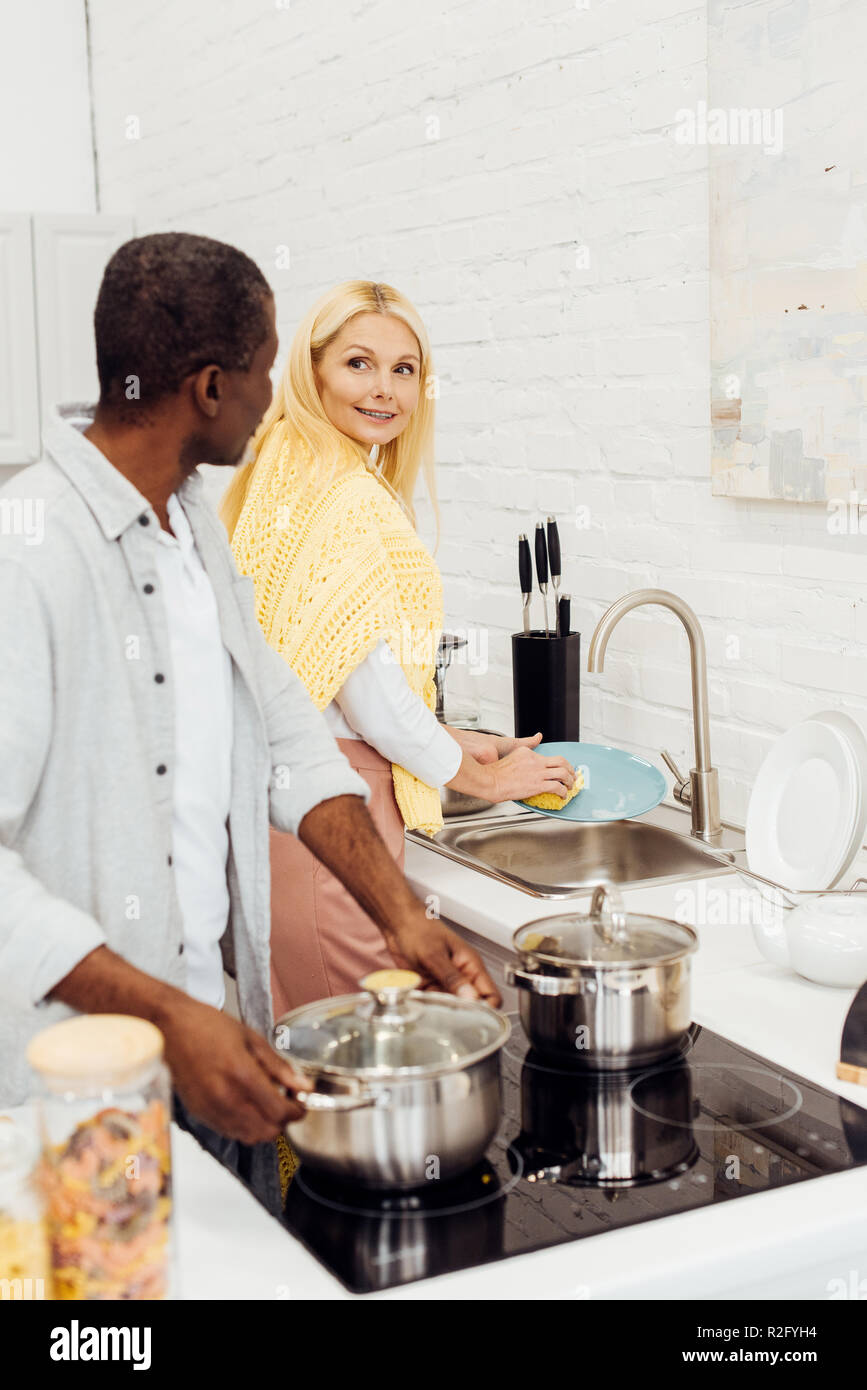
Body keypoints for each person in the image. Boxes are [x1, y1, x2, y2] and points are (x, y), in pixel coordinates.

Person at [0, 234, 500, 1199]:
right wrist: (168, 1020)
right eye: (270, 369)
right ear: (209, 387)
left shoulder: (192, 532)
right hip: (79, 1093)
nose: (278, 398)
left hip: (217, 1048)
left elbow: (284, 736)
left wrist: (402, 917)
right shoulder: (31, 555)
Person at [221, 280, 576, 1014]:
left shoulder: (286, 464)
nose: (384, 389)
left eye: (404, 369)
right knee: (357, 1072)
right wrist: (478, 779)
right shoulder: (343, 494)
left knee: (320, 1061)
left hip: (284, 814)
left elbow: (326, 674)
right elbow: (371, 700)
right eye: (358, 363)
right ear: (312, 369)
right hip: (337, 815)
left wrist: (447, 736)